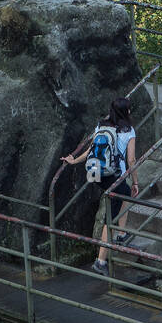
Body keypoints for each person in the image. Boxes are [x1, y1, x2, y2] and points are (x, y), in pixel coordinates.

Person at [61, 95, 138, 276]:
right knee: (109, 218)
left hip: (96, 174)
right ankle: (100, 261)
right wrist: (135, 181)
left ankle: (121, 235)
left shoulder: (101, 126)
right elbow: (131, 159)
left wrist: (74, 161)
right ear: (126, 112)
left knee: (125, 193)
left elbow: (90, 150)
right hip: (113, 177)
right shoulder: (129, 131)